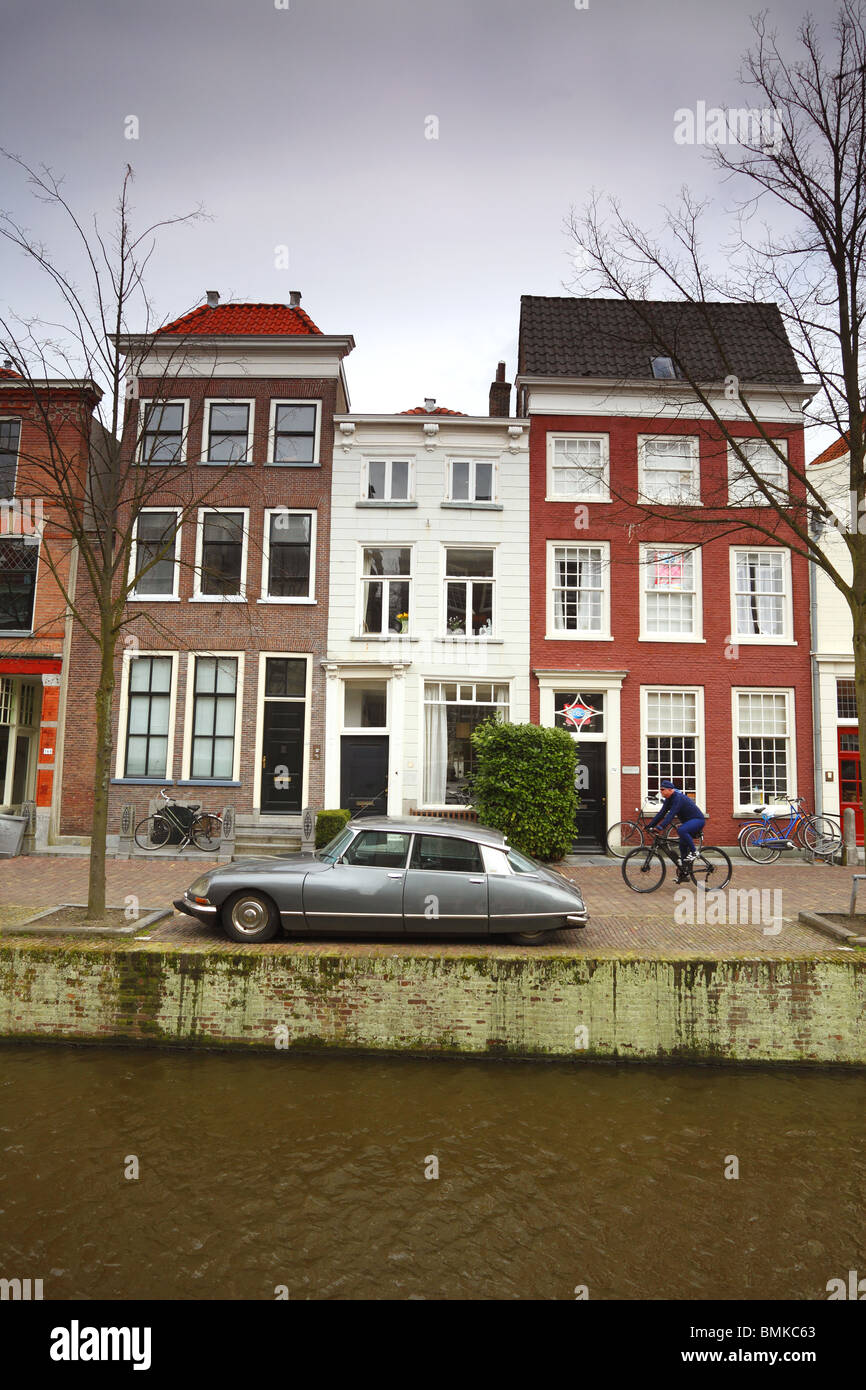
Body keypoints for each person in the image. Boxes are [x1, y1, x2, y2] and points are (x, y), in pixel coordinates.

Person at [648, 779, 706, 881]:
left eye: (663, 789)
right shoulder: (668, 800)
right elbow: (661, 813)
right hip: (688, 823)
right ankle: (684, 874)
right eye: (660, 789)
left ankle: (694, 852)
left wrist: (660, 827)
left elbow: (671, 814)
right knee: (682, 847)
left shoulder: (678, 798)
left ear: (670, 790)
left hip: (698, 820)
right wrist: (650, 825)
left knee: (681, 830)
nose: (660, 792)